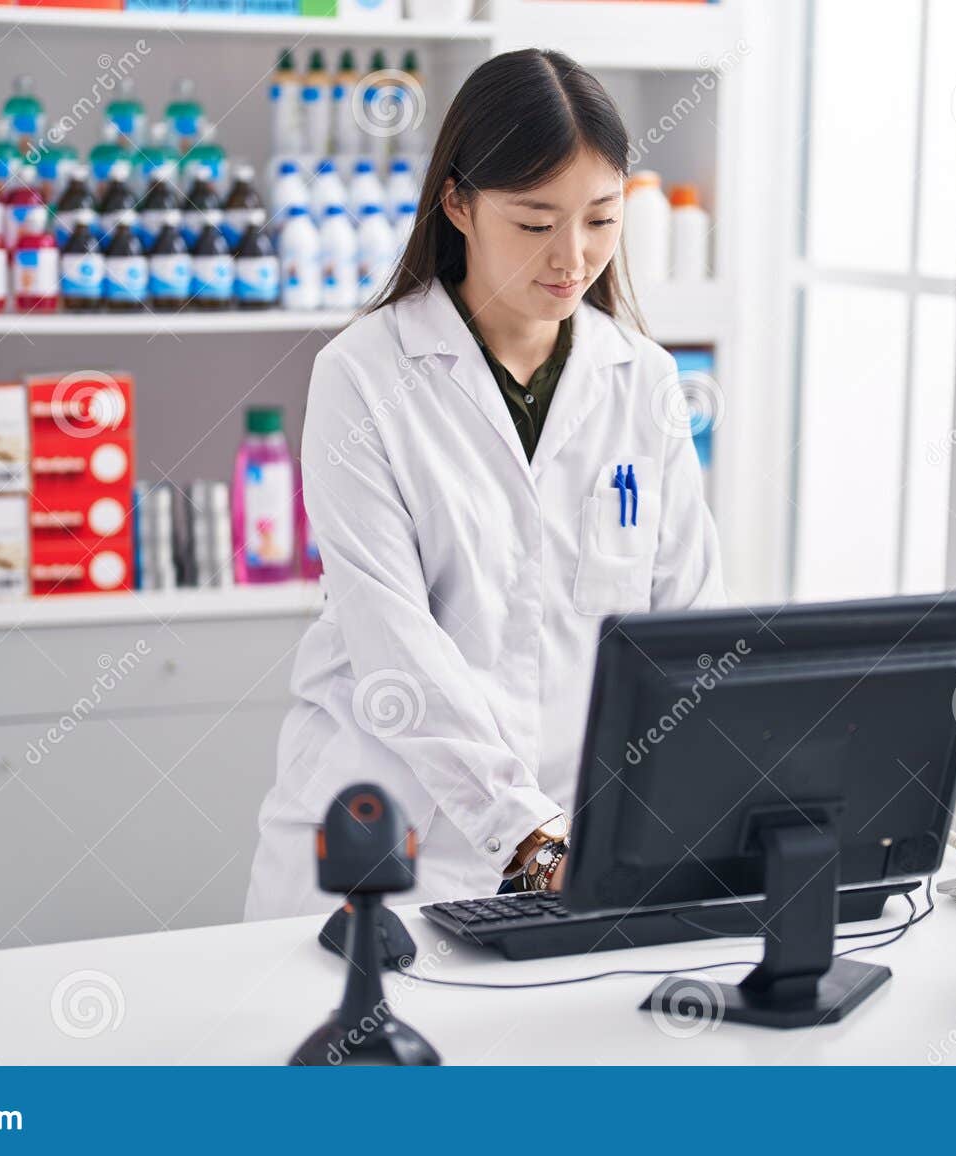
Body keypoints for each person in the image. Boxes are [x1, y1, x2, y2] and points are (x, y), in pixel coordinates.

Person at [244, 48, 725, 919]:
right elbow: (394, 643)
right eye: (536, 223)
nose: (572, 257)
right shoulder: (363, 375)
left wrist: (691, 811)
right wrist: (530, 837)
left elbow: (687, 627)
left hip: (584, 847)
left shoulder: (646, 380)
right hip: (387, 842)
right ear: (458, 203)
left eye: (601, 219)